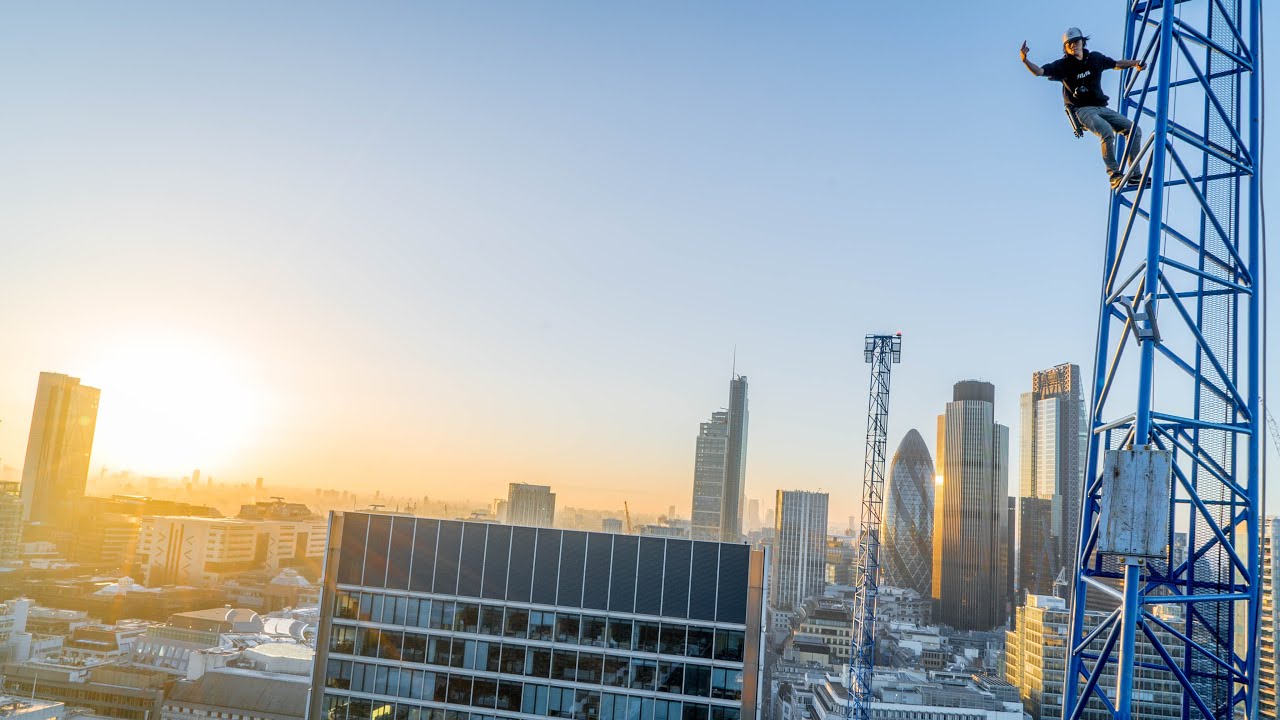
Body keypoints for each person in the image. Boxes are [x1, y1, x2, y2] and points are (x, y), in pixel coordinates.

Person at [1021, 28, 1147, 188]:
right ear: (1066, 48)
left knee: (1134, 130)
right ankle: (1114, 175)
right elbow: (1039, 71)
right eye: (1069, 44)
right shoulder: (1063, 65)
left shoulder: (1094, 58)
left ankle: (1135, 175)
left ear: (1082, 42)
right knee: (1106, 131)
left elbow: (1116, 64)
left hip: (1101, 107)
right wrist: (1025, 60)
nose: (1073, 46)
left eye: (1076, 42)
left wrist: (1135, 63)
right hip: (1082, 110)